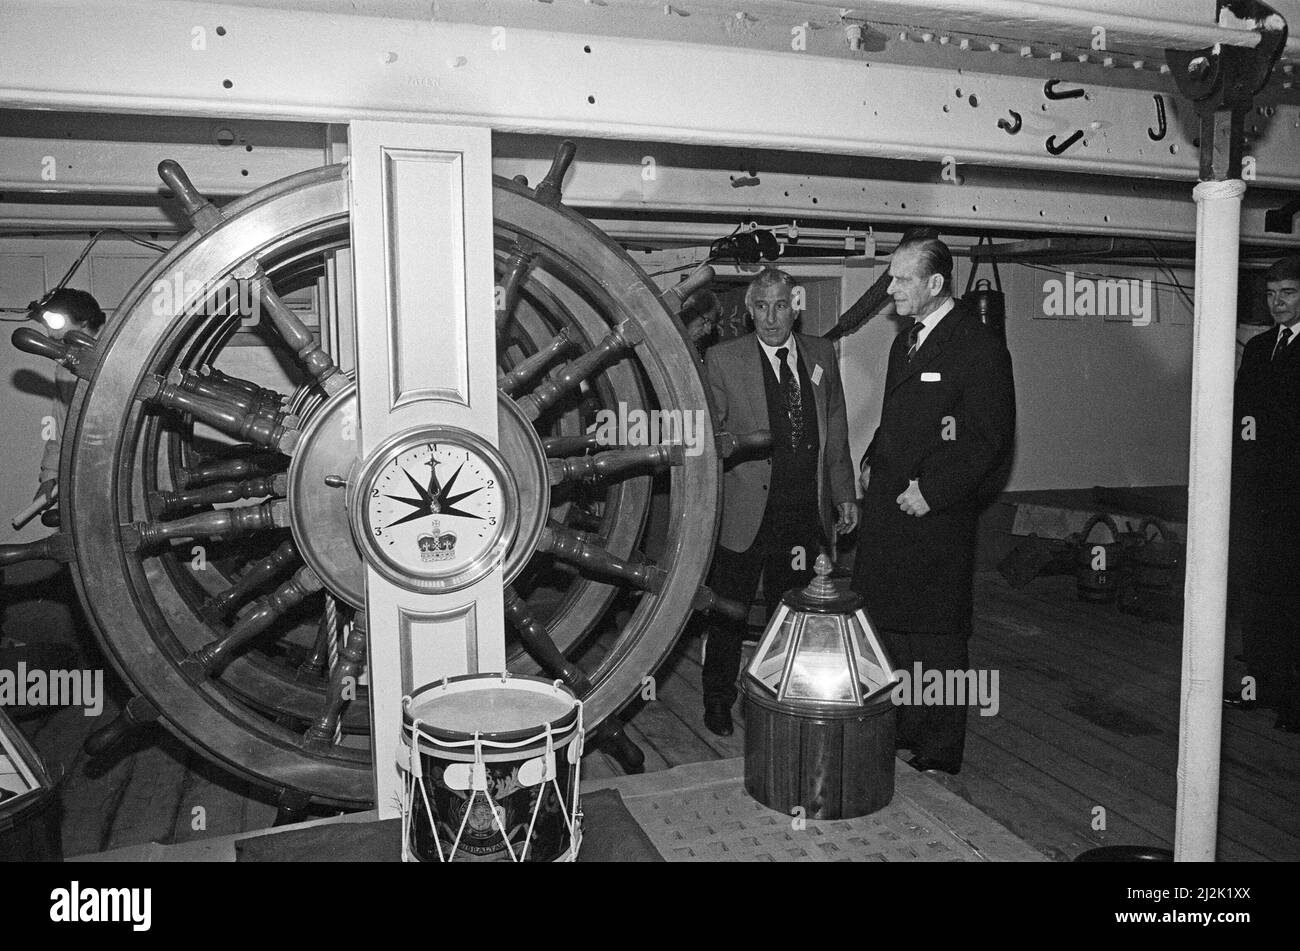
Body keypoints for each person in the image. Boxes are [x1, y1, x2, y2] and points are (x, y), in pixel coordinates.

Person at [852, 231, 1015, 774]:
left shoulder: (979, 344)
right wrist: (874, 453)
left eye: (901, 279)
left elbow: (988, 438)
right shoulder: (907, 341)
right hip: (890, 511)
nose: (889, 288)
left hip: (934, 517)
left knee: (937, 638)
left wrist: (934, 492)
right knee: (894, 629)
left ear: (936, 284)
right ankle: (903, 727)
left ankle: (941, 750)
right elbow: (899, 413)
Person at [701, 268, 857, 735]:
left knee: (790, 614)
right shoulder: (722, 358)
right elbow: (710, 438)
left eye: (781, 305)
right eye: (762, 306)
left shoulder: (822, 353)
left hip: (804, 514)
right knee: (729, 612)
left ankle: (780, 700)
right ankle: (717, 700)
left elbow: (836, 430)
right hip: (745, 516)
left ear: (796, 307)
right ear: (749, 311)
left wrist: (844, 493)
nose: (772, 316)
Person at [1226, 255, 1300, 733]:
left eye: (1289, 293)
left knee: (1293, 598)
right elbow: (1242, 419)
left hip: (1295, 498)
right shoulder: (1257, 349)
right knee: (1258, 593)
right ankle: (1260, 685)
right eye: (1272, 294)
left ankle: (1295, 702)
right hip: (1260, 496)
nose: (1278, 303)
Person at [30, 288, 106, 503]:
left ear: (83, 321)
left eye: (58, 325)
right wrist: (50, 474)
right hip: (90, 469)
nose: (52, 335)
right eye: (48, 327)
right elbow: (59, 422)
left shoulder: (117, 352)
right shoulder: (64, 369)